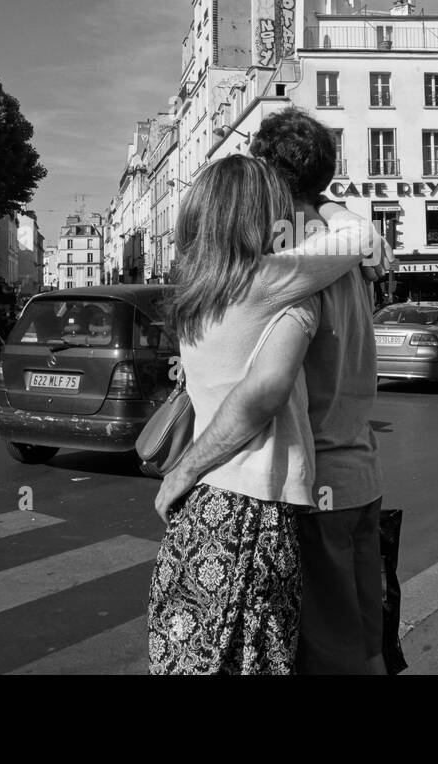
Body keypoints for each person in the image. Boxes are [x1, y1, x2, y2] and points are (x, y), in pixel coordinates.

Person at [147, 155, 382, 675]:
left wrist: (184, 473)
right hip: (251, 511)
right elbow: (356, 235)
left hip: (203, 508)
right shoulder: (269, 282)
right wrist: (324, 202)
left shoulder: (197, 289)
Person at [249, 109, 387, 674]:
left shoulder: (291, 257)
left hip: (313, 479)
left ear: (265, 173)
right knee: (367, 638)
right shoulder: (350, 250)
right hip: (361, 472)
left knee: (324, 652)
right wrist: (327, 201)